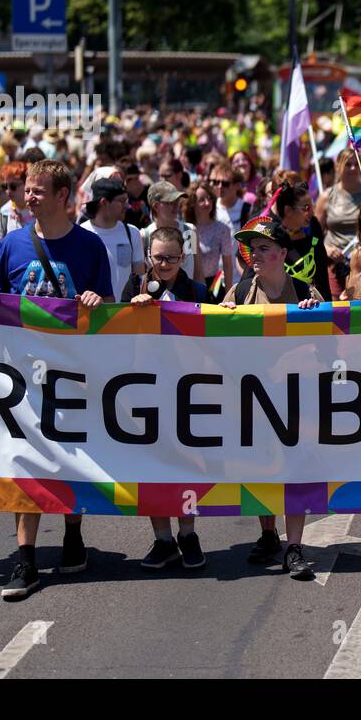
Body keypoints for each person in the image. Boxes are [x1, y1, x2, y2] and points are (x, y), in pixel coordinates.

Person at [0, 159, 114, 601]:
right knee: (25, 462)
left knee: (70, 457)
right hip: (23, 377)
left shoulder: (89, 247)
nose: (28, 196)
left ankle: (73, 531)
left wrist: (97, 300)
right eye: (25, 190)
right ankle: (26, 559)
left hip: (73, 374)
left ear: (62, 196)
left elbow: (111, 308)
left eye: (37, 190)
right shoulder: (14, 244)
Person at [219, 218, 323, 575]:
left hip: (296, 398)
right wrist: (223, 321)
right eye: (251, 249)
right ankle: (268, 533)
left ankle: (294, 546)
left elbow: (332, 345)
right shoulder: (240, 291)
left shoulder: (306, 292)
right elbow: (211, 340)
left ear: (281, 253)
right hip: (253, 395)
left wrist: (315, 318)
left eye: (264, 248)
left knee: (294, 469)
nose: (255, 255)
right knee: (261, 465)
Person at [122, 227, 210, 570]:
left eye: (171, 258)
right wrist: (133, 309)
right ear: (148, 257)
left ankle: (188, 533)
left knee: (188, 465)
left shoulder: (198, 291)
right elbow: (114, 328)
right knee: (151, 467)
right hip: (143, 389)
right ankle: (163, 539)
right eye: (158, 257)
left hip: (187, 392)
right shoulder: (134, 286)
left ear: (183, 258)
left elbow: (220, 333)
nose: (164, 263)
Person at [80, 176, 146, 304]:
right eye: (121, 201)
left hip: (125, 314)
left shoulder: (132, 233)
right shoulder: (81, 234)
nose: (127, 206)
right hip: (93, 314)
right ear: (104, 203)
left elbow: (140, 278)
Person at [316, 149, 361, 300]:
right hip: (334, 266)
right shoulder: (326, 197)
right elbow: (314, 235)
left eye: (356, 164)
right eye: (348, 164)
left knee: (359, 313)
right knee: (337, 313)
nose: (353, 168)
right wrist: (326, 248)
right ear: (338, 166)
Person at [273, 180, 331, 301]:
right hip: (280, 308)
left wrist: (327, 309)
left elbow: (322, 279)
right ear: (288, 210)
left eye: (312, 207)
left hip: (310, 307)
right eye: (306, 208)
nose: (311, 213)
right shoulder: (271, 239)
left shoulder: (313, 229)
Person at [142, 180, 200, 283]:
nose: (175, 206)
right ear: (155, 206)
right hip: (157, 298)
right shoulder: (144, 236)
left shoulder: (190, 231)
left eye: (177, 201)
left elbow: (198, 272)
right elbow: (142, 277)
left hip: (187, 297)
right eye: (170, 202)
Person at [184, 180, 234, 297]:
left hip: (213, 288)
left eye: (209, 198)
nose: (207, 203)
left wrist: (229, 295)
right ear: (192, 204)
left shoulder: (222, 229)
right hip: (190, 286)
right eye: (202, 200)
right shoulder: (187, 229)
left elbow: (227, 265)